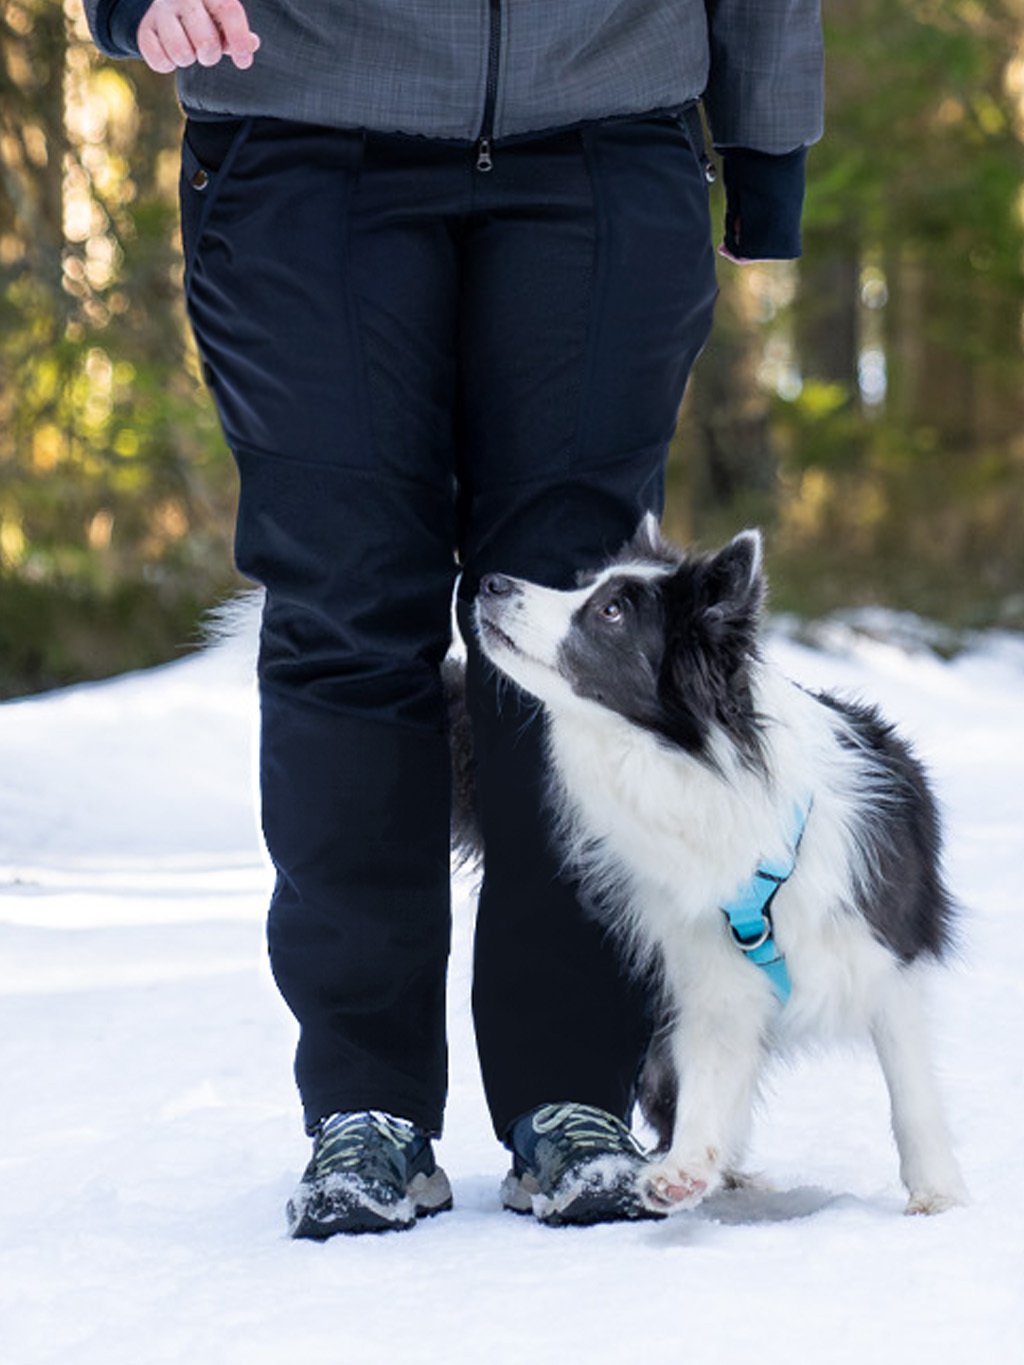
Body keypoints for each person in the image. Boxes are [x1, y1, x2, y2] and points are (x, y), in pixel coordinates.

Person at [83, 0, 824, 1236]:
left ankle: (572, 1102)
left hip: (604, 132)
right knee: (342, 617)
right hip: (304, 128)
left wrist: (765, 141)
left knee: (583, 656)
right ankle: (363, 1109)